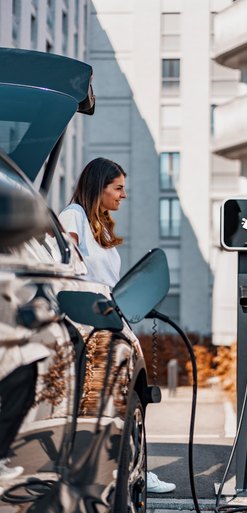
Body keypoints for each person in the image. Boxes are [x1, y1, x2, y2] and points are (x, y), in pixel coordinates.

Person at [59, 157, 176, 494]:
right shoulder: (73, 217)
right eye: (118, 188)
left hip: (111, 323)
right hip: (88, 328)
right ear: (99, 187)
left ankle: (134, 468)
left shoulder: (102, 225)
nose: (124, 195)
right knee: (102, 406)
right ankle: (107, 475)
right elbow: (67, 266)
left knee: (127, 402)